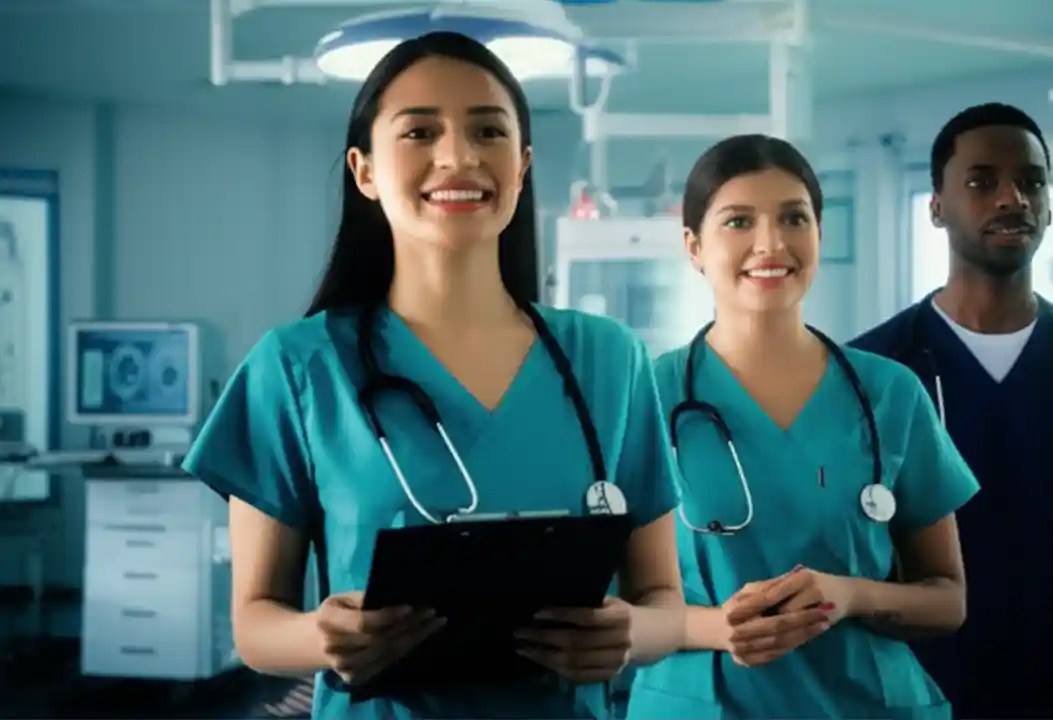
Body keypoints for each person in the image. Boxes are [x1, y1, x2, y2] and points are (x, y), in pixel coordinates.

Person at [181, 31, 686, 720]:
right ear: (364, 171)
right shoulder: (297, 366)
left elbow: (663, 602)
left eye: (489, 131)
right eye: (420, 131)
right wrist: (323, 637)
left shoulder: (609, 359)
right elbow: (255, 626)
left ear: (521, 167)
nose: (458, 157)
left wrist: (630, 635)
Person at [626, 134, 980, 719]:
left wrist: (849, 595)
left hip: (866, 705)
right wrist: (716, 628)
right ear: (694, 247)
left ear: (819, 233)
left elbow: (947, 601)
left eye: (794, 218)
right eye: (738, 221)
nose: (771, 243)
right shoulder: (644, 398)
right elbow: (611, 616)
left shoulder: (890, 393)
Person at [852, 102, 1053, 719]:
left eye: (1031, 182)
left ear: (1050, 205)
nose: (1013, 198)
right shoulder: (873, 369)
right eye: (982, 182)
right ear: (936, 207)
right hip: (920, 690)